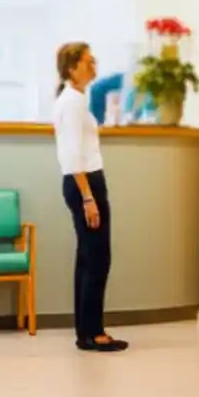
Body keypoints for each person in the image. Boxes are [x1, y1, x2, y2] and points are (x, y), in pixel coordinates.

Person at [53, 42, 128, 353]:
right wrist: (88, 197)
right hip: (84, 183)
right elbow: (72, 154)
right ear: (73, 68)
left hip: (83, 181)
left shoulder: (75, 99)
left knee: (88, 258)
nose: (94, 65)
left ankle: (86, 330)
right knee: (97, 259)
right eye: (88, 61)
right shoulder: (71, 102)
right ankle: (93, 333)